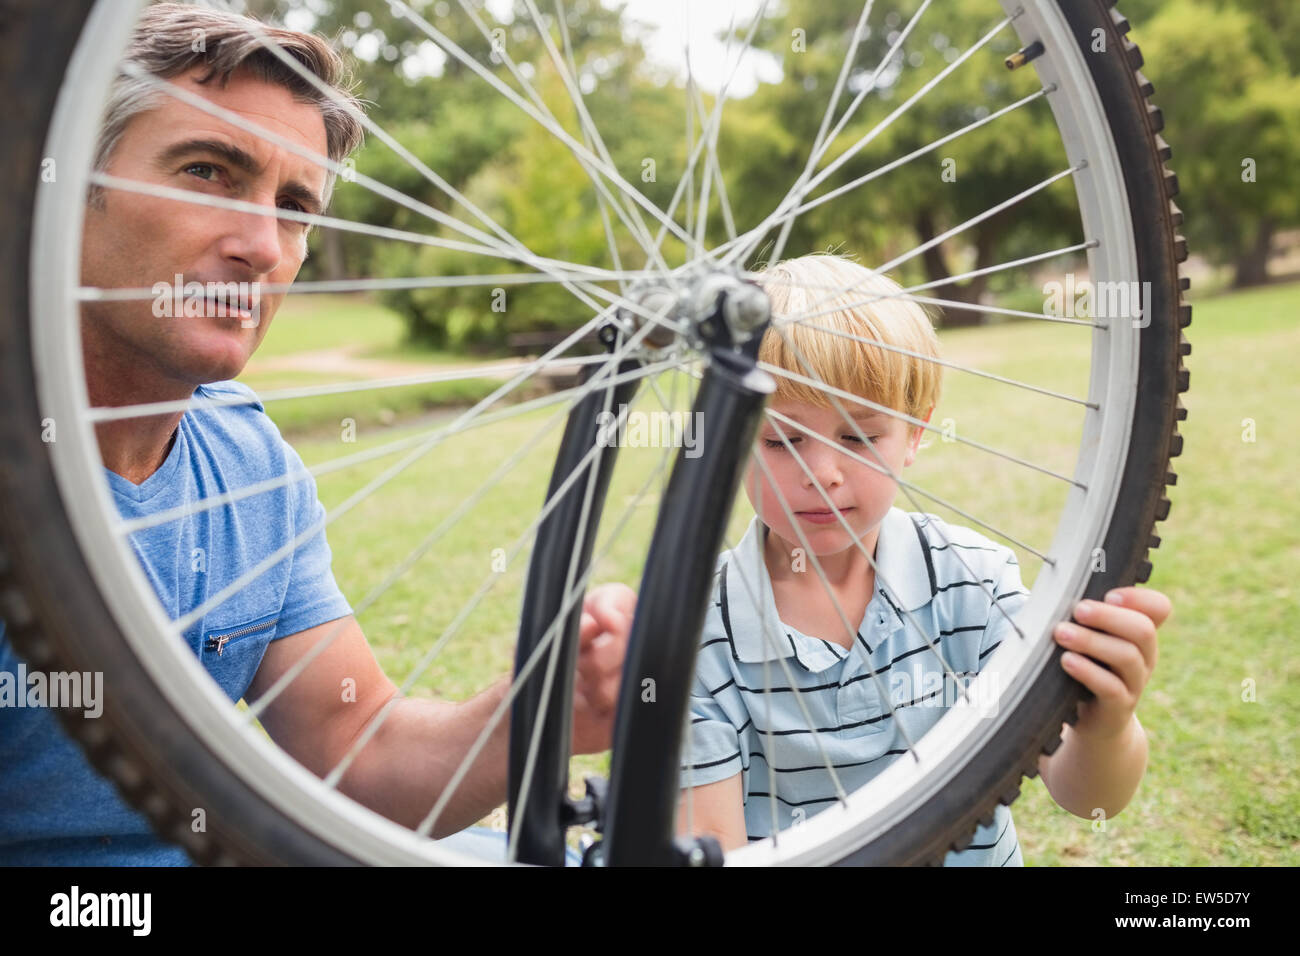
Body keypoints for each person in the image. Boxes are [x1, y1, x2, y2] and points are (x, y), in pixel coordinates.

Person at [0, 3, 634, 865]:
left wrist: (533, 711)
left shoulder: (250, 462)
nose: (263, 245)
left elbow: (353, 751)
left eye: (295, 205)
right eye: (207, 170)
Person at [674, 254, 1171, 864]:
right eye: (782, 440)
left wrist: (1107, 725)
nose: (822, 472)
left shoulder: (974, 582)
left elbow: (1087, 797)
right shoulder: (697, 631)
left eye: (860, 436)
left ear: (913, 434)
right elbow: (715, 849)